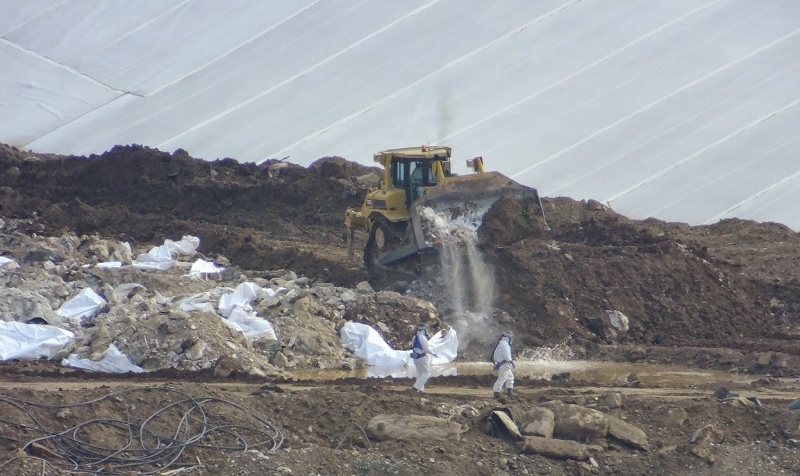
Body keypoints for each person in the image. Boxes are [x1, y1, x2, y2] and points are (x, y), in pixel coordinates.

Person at [410, 323, 434, 393]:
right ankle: (415, 388)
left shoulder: (415, 337)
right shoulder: (422, 337)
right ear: (424, 330)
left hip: (415, 358)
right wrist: (432, 353)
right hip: (422, 357)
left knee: (420, 373)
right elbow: (426, 349)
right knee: (426, 373)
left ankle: (419, 389)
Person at [491, 331, 515, 399]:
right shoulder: (505, 345)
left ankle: (510, 392)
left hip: (502, 364)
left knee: (510, 377)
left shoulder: (501, 343)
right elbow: (507, 356)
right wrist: (511, 361)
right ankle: (496, 393)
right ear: (509, 337)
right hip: (504, 365)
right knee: (501, 379)